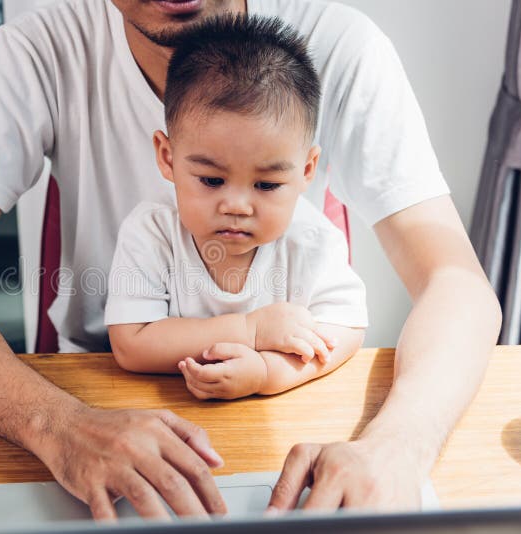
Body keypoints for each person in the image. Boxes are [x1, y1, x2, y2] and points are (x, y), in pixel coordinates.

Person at [0, 0, 502, 520]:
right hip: (98, 401)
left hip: (300, 410)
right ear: (166, 156)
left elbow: (457, 284)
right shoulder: (39, 51)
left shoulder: (339, 46)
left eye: (266, 184)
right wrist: (60, 427)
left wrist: (397, 449)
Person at [105, 14, 367, 400]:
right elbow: (131, 342)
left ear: (307, 170)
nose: (238, 206)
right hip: (162, 413)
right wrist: (250, 331)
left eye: (267, 185)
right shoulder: (151, 232)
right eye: (211, 180)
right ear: (168, 156)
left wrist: (269, 373)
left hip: (274, 426)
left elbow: (346, 329)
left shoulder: (312, 241)